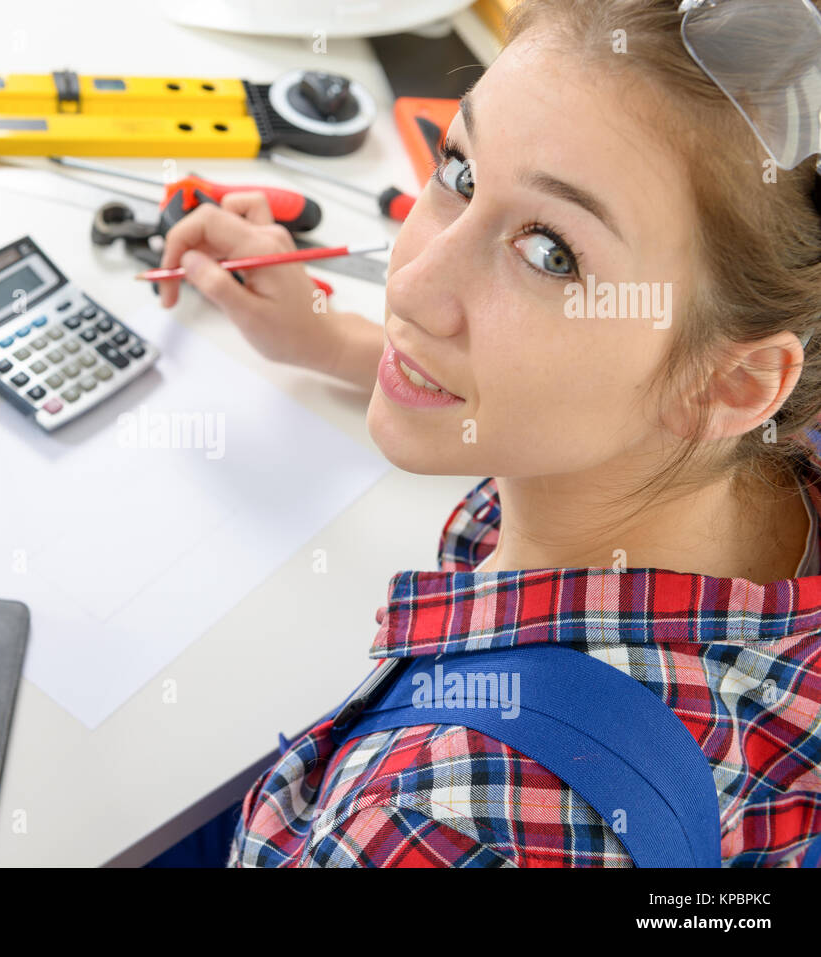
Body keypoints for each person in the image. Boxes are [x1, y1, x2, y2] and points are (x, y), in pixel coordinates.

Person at [155, 0, 821, 866]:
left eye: (551, 253)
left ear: (731, 382)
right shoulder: (774, 437)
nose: (410, 285)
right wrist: (336, 342)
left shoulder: (425, 821)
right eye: (462, 173)